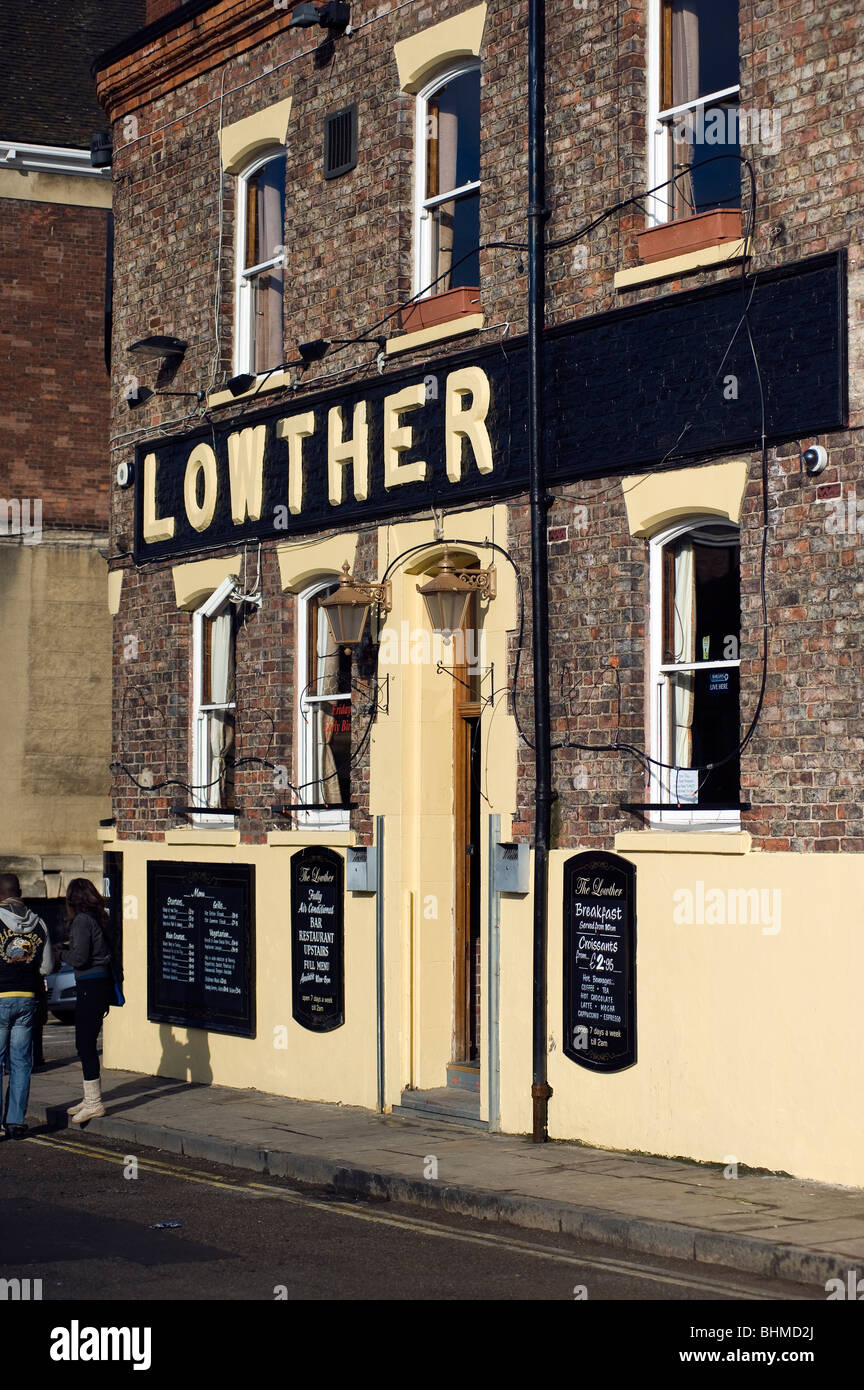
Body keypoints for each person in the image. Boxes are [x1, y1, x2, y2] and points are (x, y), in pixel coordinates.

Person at [0, 873, 53, 1139]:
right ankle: (16, 1121)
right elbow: (47, 966)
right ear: (19, 892)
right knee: (21, 1062)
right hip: (27, 998)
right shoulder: (39, 923)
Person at [61, 878, 116, 1124]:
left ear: (74, 899)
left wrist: (60, 952)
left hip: (90, 986)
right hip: (97, 986)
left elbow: (81, 958)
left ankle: (94, 1103)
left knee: (84, 1044)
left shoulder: (82, 920)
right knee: (86, 1043)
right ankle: (89, 1098)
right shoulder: (96, 919)